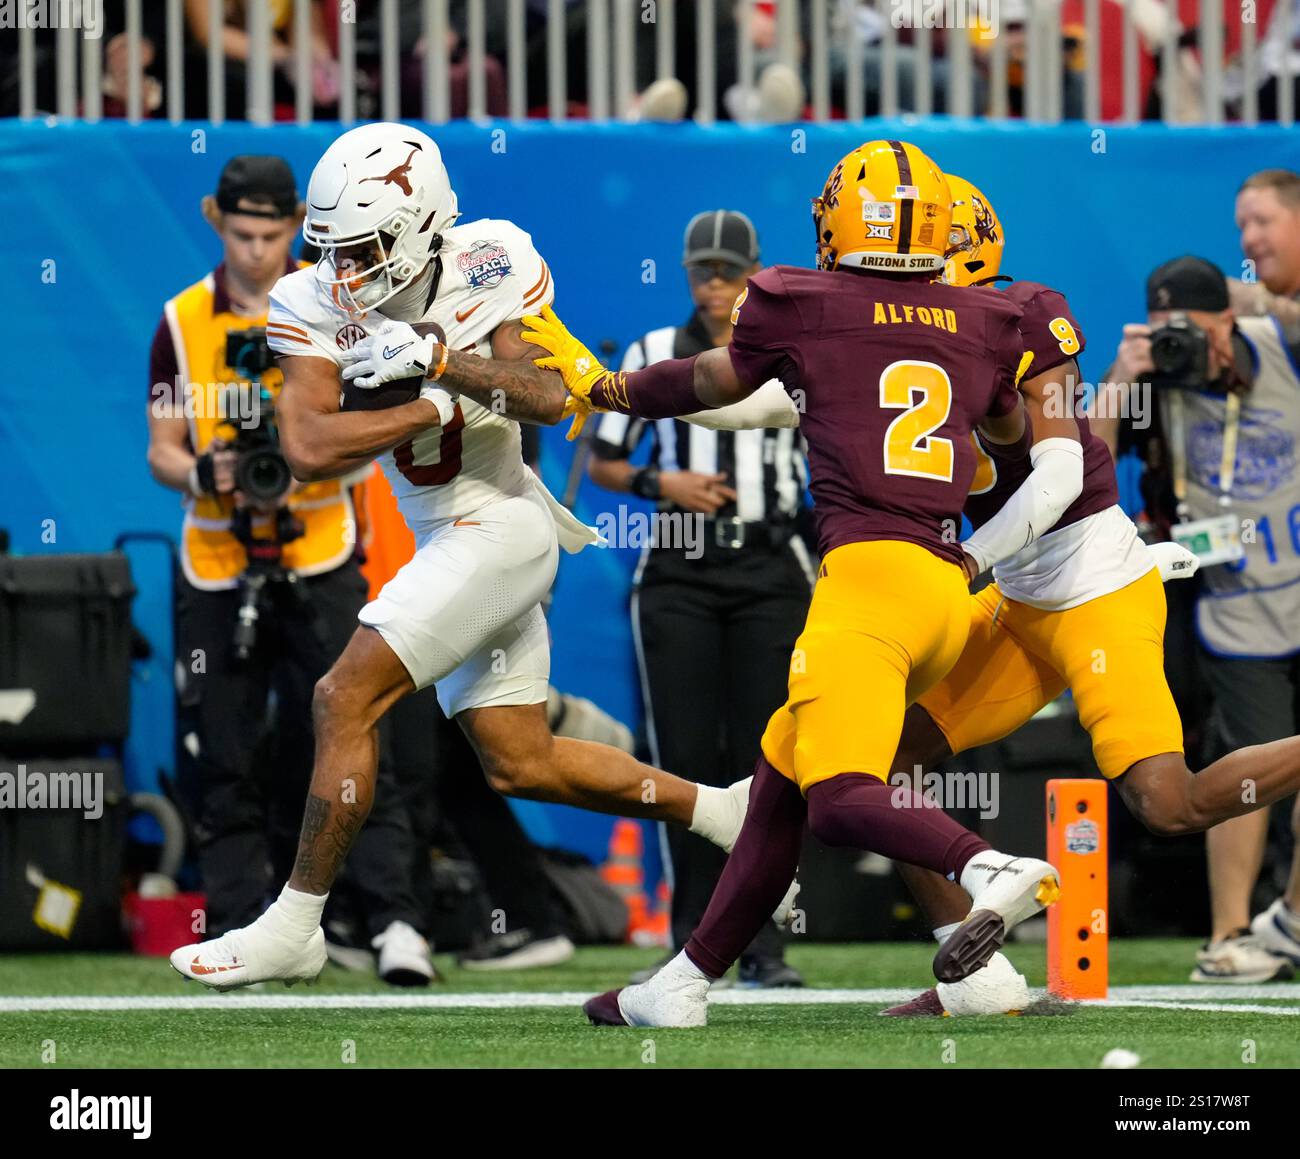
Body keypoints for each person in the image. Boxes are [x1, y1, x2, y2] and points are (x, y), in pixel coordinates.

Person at [169, 123, 765, 991]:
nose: (343, 273)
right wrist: (432, 408)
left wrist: (444, 361)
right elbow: (305, 445)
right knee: (520, 761)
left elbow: (553, 392)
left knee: (342, 698)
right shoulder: (307, 299)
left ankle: (297, 922)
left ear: (419, 224)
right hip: (446, 529)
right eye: (329, 249)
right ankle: (728, 809)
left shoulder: (492, 258)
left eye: (363, 249)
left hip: (506, 522)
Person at [525, 139, 1075, 1028]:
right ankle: (685, 978)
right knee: (779, 774)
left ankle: (988, 868)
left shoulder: (803, 301)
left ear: (840, 221)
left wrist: (606, 387)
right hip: (946, 587)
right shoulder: (983, 321)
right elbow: (998, 446)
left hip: (865, 582)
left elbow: (713, 379)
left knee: (840, 794)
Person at [147, 154, 432, 986]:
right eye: (243, 233)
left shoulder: (337, 300)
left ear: (297, 222)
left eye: (275, 233)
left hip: (321, 553)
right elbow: (161, 446)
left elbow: (367, 435)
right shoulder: (180, 320)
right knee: (224, 753)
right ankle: (244, 928)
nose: (260, 251)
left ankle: (395, 922)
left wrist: (305, 460)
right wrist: (205, 472)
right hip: (216, 560)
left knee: (358, 729)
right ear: (214, 219)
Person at [589, 210, 810, 988]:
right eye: (702, 272)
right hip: (680, 572)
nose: (714, 285)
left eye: (728, 271)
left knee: (770, 760)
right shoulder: (655, 350)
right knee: (683, 760)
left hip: (771, 565)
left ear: (753, 272)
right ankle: (690, 940)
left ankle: (766, 943)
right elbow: (603, 459)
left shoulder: (790, 349)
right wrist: (664, 482)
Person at [1097, 253, 1300, 983]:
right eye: (1161, 330)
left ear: (1228, 318)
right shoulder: (1153, 381)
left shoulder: (1279, 343)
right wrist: (1123, 378)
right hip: (1232, 600)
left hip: (1295, 576)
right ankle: (1228, 935)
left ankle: (1292, 925)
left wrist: (1266, 302)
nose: (1179, 342)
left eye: (1190, 327)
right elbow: (1085, 463)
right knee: (1255, 757)